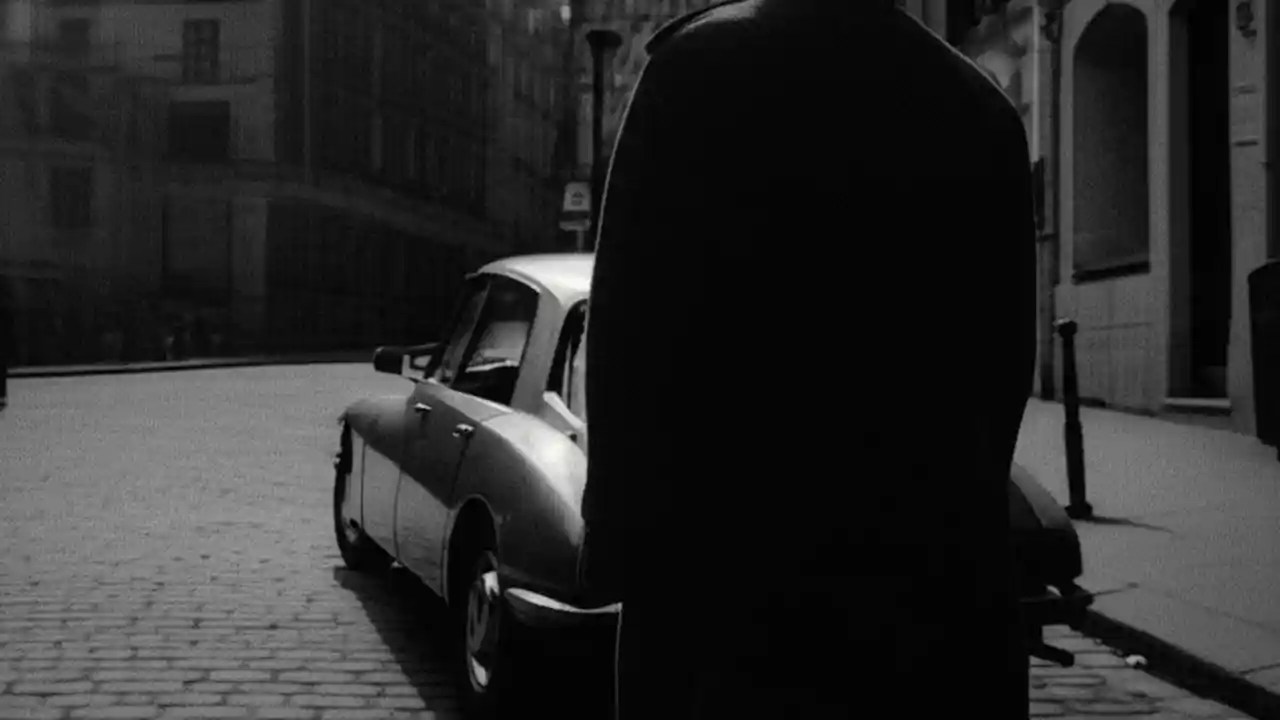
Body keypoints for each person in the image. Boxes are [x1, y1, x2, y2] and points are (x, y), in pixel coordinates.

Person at [582, 1, 1037, 718]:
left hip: (727, 583)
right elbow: (1003, 369)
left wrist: (615, 549)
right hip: (928, 591)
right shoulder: (980, 109)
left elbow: (628, 336)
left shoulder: (698, 69)